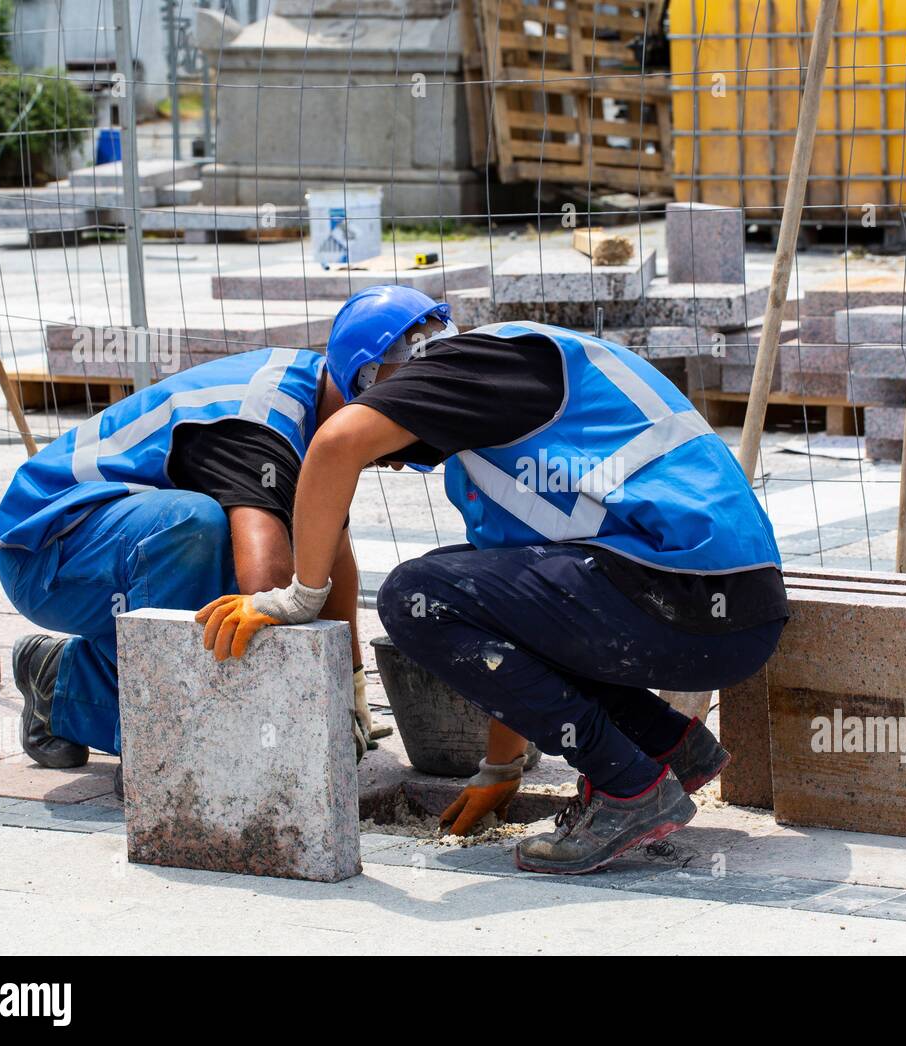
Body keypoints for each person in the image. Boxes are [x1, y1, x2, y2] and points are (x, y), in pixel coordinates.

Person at [198, 285, 788, 875]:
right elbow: (518, 632)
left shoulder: (476, 361)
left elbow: (335, 444)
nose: (394, 459)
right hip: (727, 614)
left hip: (686, 590)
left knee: (414, 596)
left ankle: (630, 789)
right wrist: (500, 769)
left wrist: (300, 596)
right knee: (459, 589)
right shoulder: (495, 441)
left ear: (384, 377)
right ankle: (668, 748)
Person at [0, 325, 426, 792]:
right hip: (45, 550)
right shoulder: (261, 423)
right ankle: (160, 753)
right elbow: (269, 586)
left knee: (237, 562)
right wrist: (294, 725)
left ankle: (61, 683)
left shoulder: (320, 406)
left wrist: (349, 686)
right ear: (364, 383)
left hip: (107, 544)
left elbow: (331, 556)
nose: (399, 461)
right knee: (199, 530)